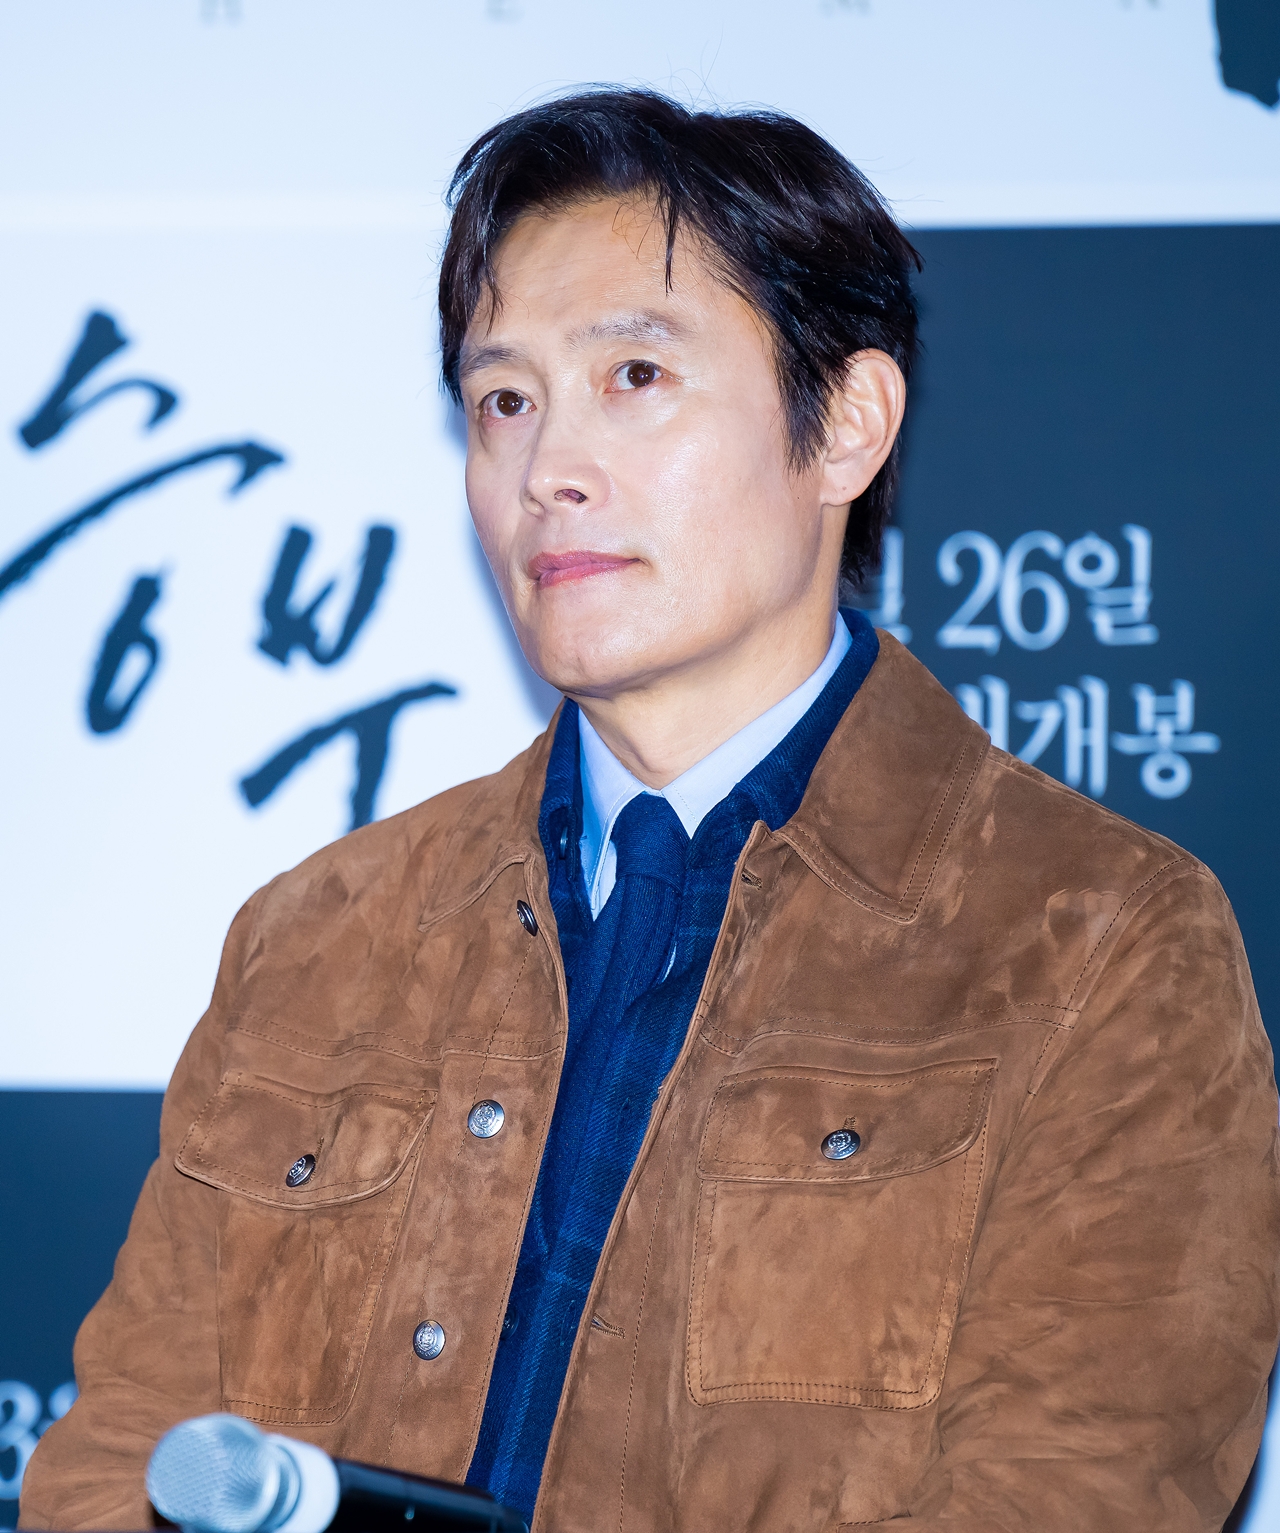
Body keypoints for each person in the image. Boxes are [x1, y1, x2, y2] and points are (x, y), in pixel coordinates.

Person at [21, 88, 1280, 1533]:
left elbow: (1072, 1497)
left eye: (634, 376)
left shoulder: (1099, 943)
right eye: (504, 402)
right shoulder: (319, 934)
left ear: (846, 424)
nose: (547, 469)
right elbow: (114, 1475)